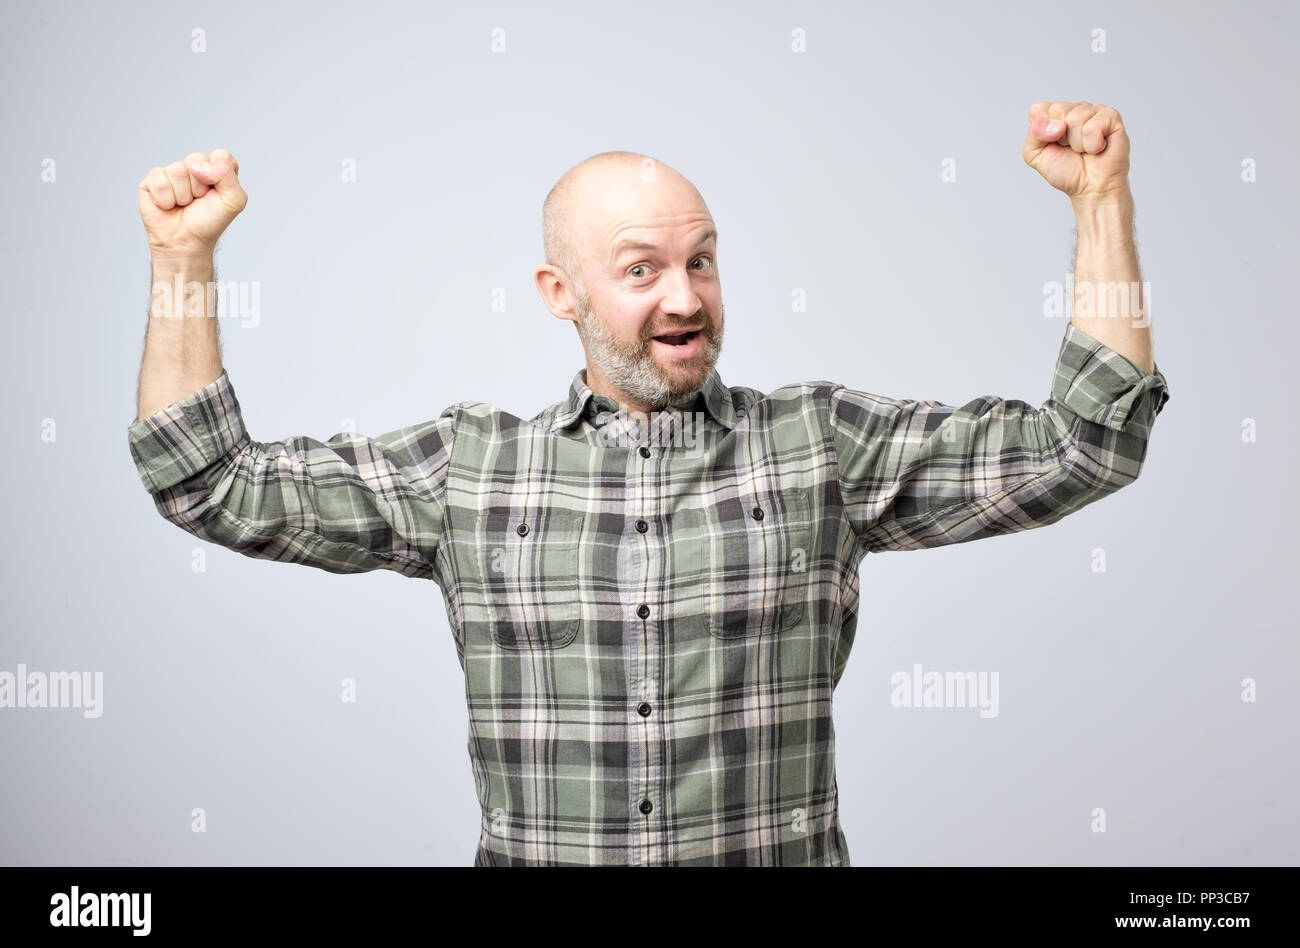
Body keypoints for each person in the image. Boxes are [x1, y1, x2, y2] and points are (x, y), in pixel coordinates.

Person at [127, 101, 1170, 866]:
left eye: (704, 261)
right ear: (561, 292)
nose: (686, 297)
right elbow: (210, 481)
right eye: (641, 269)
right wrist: (182, 261)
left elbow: (1086, 441)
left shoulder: (820, 443)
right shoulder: (469, 468)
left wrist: (1101, 201)